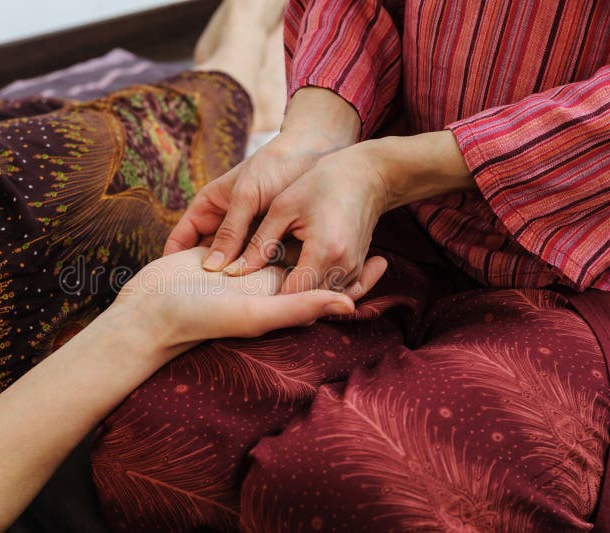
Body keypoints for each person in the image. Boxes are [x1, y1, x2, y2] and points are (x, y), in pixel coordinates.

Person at [90, 0, 610, 531]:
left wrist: (383, 172)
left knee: (348, 488)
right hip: (397, 219)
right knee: (155, 439)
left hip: (588, 273)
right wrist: (313, 138)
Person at [0, 0, 329, 526]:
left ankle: (237, 81)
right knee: (162, 128)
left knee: (49, 115)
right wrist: (146, 323)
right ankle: (237, 58)